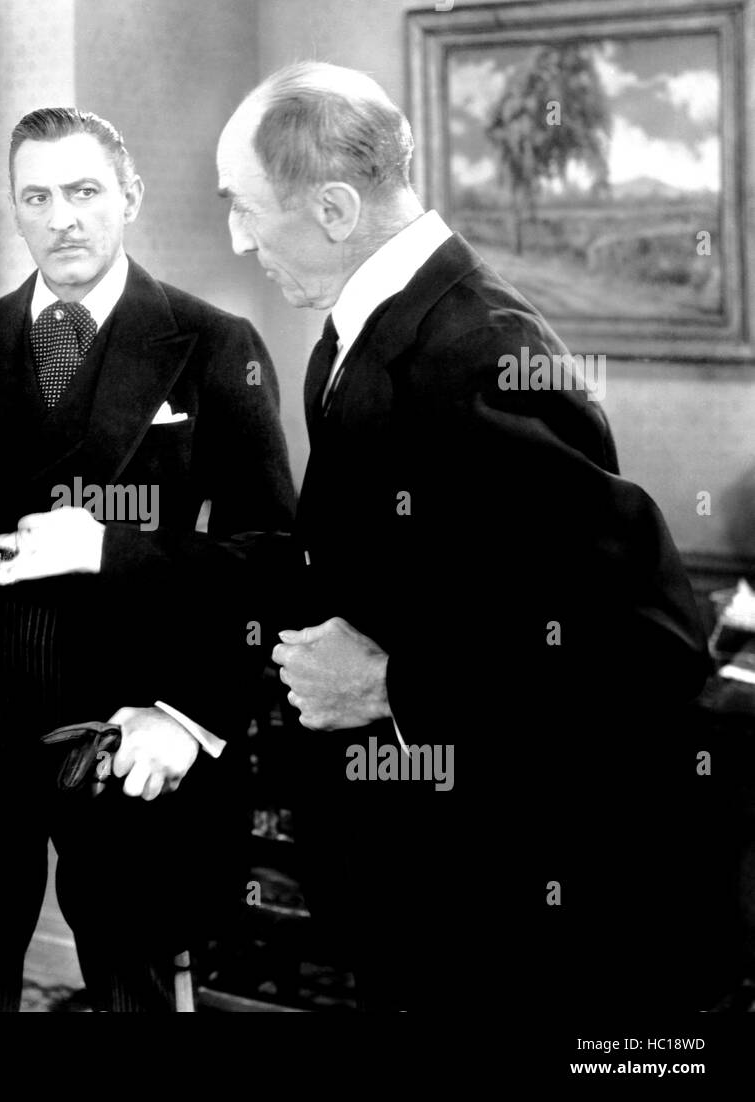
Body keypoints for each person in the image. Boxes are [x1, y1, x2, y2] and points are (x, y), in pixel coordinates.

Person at [216, 62, 728, 1011]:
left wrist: (393, 684)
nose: (238, 240)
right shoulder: (353, 335)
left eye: (244, 209)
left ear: (332, 208)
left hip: (504, 901)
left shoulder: (484, 353)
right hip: (416, 873)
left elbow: (648, 642)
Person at [0, 107, 295, 1012]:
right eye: (37, 196)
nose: (61, 217)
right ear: (15, 211)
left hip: (130, 723)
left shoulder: (215, 345)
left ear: (128, 199)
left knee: (131, 977)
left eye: (84, 191)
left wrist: (188, 717)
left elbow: (271, 561)